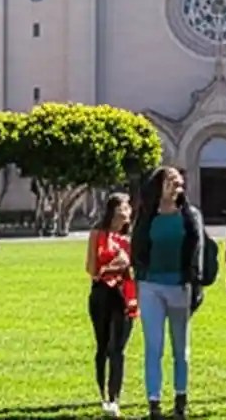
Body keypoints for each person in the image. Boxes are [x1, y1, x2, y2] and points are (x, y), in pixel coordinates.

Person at [131, 166, 206, 420]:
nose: (177, 186)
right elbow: (137, 248)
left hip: (180, 286)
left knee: (180, 348)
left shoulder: (189, 216)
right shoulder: (147, 215)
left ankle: (180, 400)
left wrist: (194, 284)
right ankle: (154, 403)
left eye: (179, 182)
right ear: (159, 186)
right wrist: (140, 274)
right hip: (151, 286)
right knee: (154, 346)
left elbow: (197, 251)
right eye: (171, 181)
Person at [86, 193, 139, 418]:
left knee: (118, 348)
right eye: (123, 206)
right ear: (113, 210)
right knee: (103, 346)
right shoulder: (98, 234)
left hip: (126, 294)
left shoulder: (132, 239)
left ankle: (114, 396)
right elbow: (90, 268)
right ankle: (102, 394)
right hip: (102, 294)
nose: (127, 211)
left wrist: (127, 265)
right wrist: (110, 266)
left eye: (128, 207)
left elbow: (139, 268)